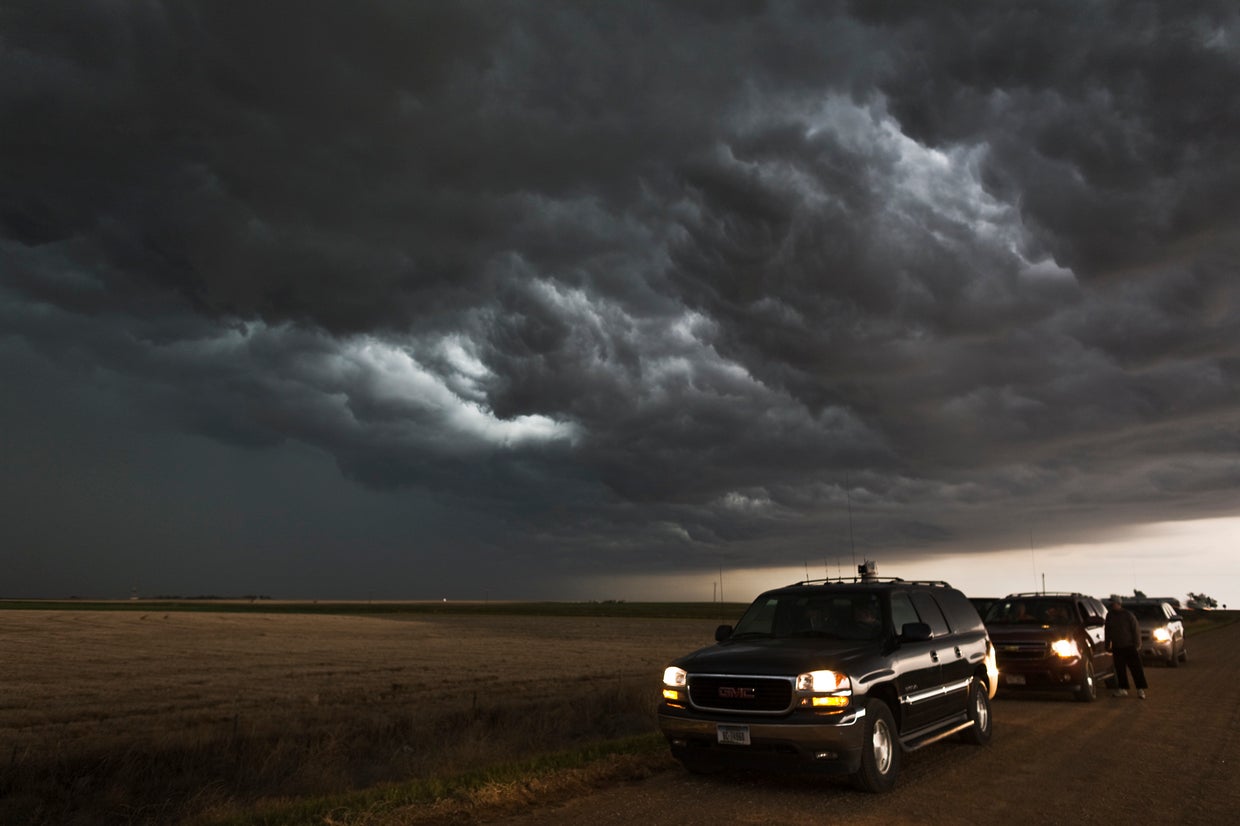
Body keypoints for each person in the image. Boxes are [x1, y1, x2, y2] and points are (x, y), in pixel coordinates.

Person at [1105, 599, 1147, 699]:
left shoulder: (1128, 615)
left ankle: (1140, 689)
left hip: (1129, 646)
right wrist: (1107, 645)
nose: (1112, 606)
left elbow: (1135, 629)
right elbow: (1107, 630)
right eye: (1111, 604)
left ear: (1119, 604)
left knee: (1136, 669)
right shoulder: (1109, 615)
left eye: (1113, 604)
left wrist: (1137, 644)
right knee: (1120, 669)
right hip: (1117, 646)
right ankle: (1122, 689)